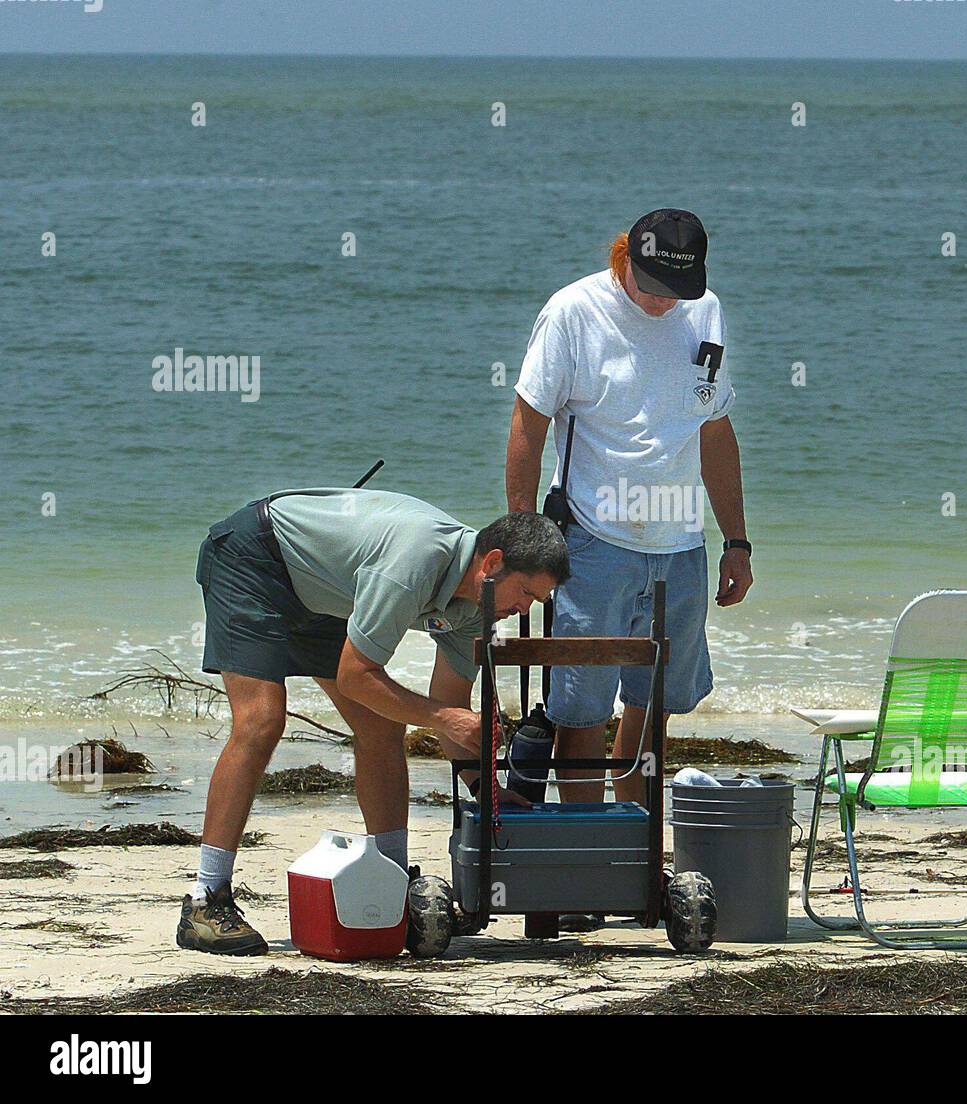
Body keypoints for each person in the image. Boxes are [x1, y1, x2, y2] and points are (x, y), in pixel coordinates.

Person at [177, 488, 568, 955]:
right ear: (492, 563)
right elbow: (358, 677)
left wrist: (486, 787)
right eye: (525, 593)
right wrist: (444, 718)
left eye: (537, 601)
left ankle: (391, 883)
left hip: (326, 591)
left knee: (383, 728)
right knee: (262, 720)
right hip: (254, 557)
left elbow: (450, 703)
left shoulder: (476, 610)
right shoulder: (414, 563)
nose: (525, 609)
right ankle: (205, 898)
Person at [506, 208, 753, 815]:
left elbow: (715, 430)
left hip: (681, 541)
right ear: (626, 260)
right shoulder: (573, 312)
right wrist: (523, 535)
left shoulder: (705, 310)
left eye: (681, 291)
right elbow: (527, 423)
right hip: (593, 537)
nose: (668, 303)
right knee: (580, 704)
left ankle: (636, 836)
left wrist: (737, 542)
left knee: (657, 698)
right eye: (656, 288)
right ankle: (588, 839)